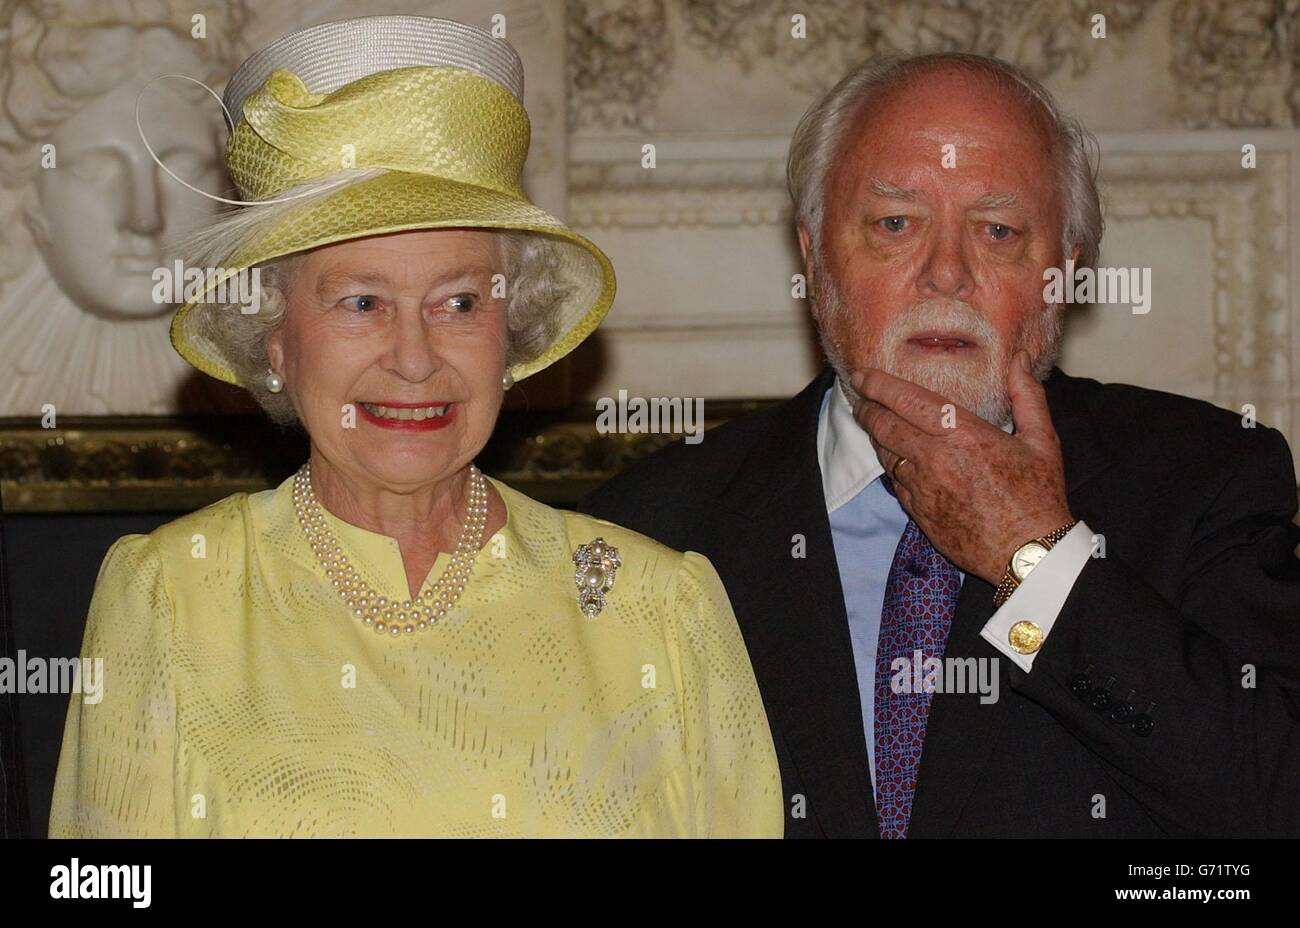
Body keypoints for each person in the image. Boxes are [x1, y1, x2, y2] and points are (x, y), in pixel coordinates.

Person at [48, 15, 782, 838]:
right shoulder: (170, 595)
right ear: (275, 338)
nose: (414, 358)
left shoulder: (657, 605)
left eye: (459, 303)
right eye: (361, 302)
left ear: (513, 333)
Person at [582, 52, 1300, 838]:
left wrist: (1035, 558)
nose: (946, 274)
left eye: (997, 230)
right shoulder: (647, 529)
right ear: (815, 259)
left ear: (1064, 271)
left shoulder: (1206, 479)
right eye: (896, 224)